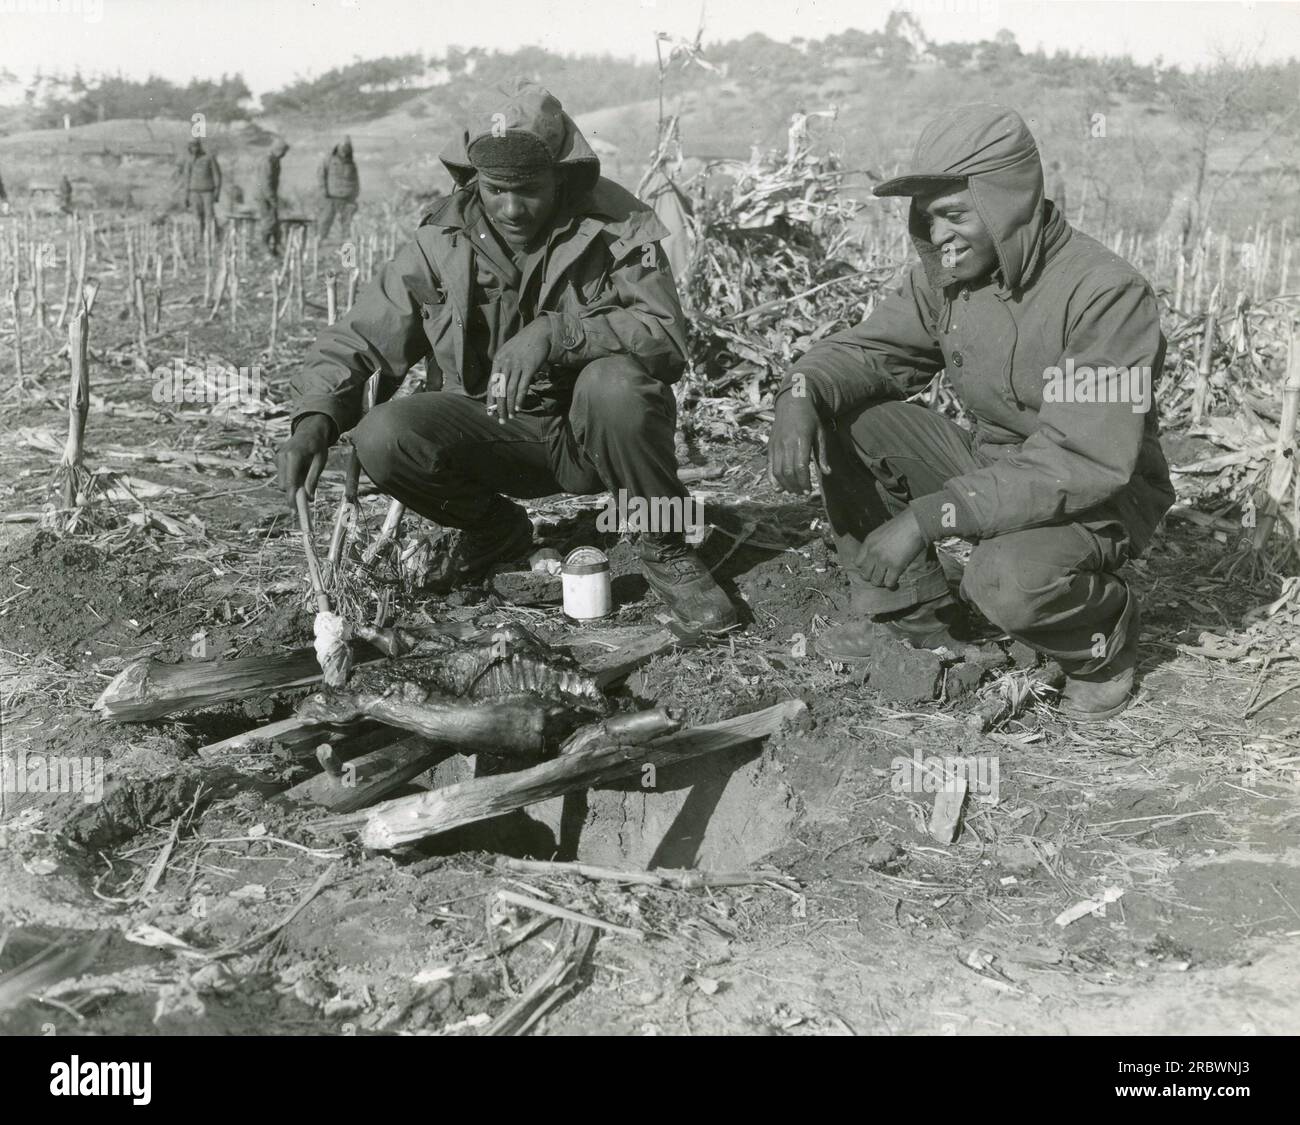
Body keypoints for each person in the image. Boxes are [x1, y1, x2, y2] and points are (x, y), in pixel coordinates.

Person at [276, 80, 735, 630]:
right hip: (487, 432)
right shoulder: (440, 238)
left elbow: (664, 337)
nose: (512, 209)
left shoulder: (617, 227)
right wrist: (315, 416)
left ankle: (665, 543)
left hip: (587, 436)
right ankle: (497, 532)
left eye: (530, 190)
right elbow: (365, 335)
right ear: (474, 180)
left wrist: (555, 333)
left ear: (562, 179)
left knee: (617, 385)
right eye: (495, 190)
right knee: (382, 435)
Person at [768, 104, 1174, 720]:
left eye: (955, 214)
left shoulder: (1105, 295)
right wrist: (799, 389)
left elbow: (1082, 461)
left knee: (1003, 579)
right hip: (993, 468)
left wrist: (927, 518)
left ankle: (1100, 640)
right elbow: (869, 353)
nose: (938, 236)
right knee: (844, 414)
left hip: (1094, 494)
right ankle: (917, 619)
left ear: (1008, 201)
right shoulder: (949, 275)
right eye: (927, 219)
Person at [178, 139, 222, 239]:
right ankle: (200, 238)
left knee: (210, 215)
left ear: (200, 146)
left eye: (196, 146)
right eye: (192, 147)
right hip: (194, 192)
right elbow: (186, 178)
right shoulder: (189, 160)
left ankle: (214, 238)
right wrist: (186, 196)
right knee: (197, 216)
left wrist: (217, 191)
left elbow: (217, 176)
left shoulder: (209, 158)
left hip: (208, 192)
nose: (194, 149)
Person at [318, 136, 359, 239]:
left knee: (348, 225)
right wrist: (324, 191)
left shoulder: (351, 163)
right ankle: (319, 244)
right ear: (337, 147)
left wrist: (355, 194)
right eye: (342, 148)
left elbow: (355, 180)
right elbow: (321, 175)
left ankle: (347, 250)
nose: (344, 151)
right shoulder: (328, 160)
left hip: (348, 198)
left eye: (347, 148)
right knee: (325, 221)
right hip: (331, 197)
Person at [256, 138, 290, 257]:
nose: (284, 155)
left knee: (275, 221)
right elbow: (265, 184)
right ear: (278, 150)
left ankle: (277, 245)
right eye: (283, 152)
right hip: (264, 196)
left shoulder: (275, 160)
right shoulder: (267, 162)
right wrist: (273, 200)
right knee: (269, 221)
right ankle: (264, 246)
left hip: (270, 194)